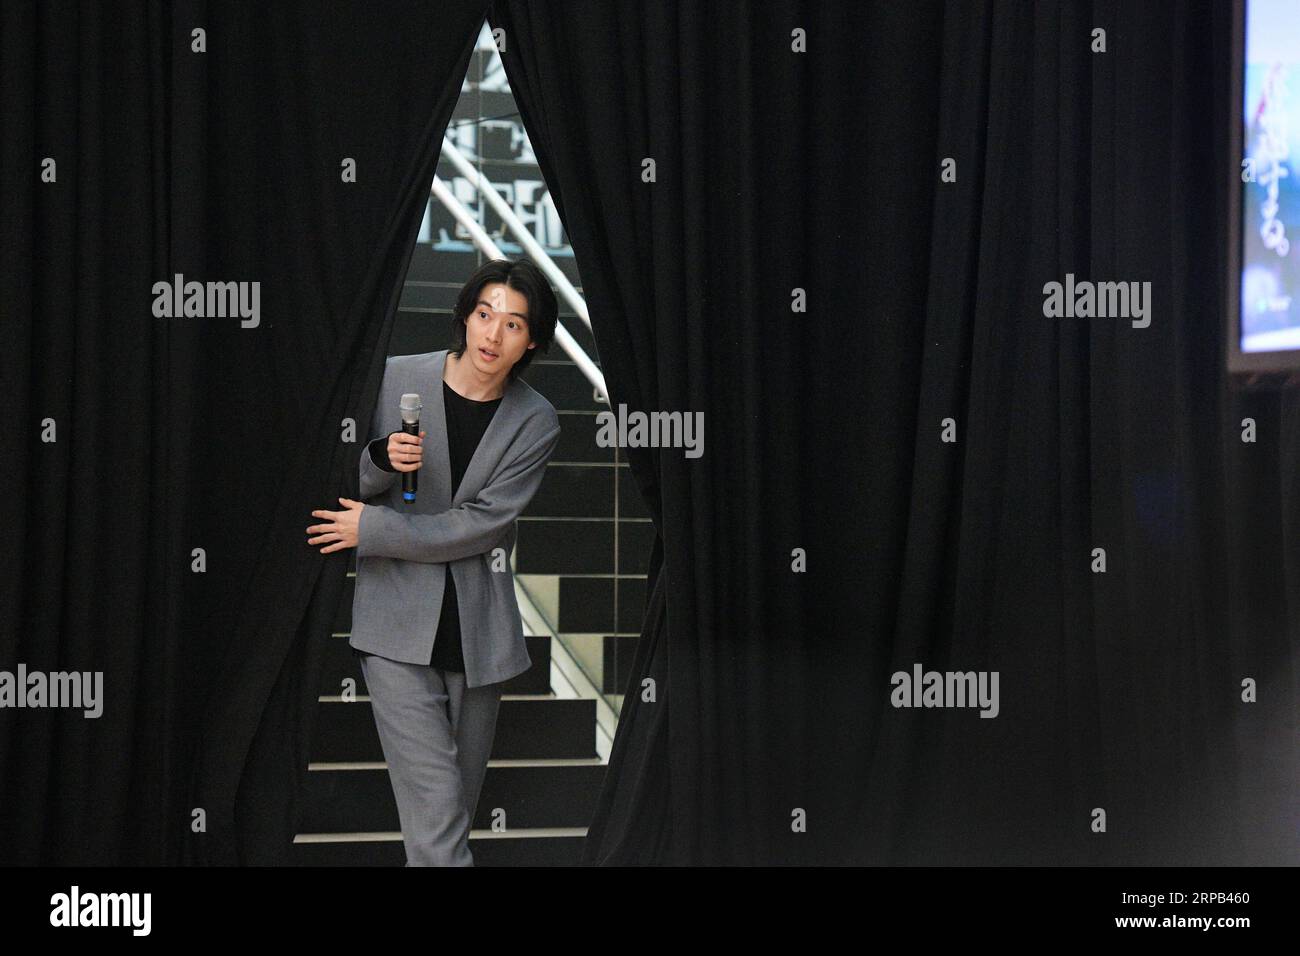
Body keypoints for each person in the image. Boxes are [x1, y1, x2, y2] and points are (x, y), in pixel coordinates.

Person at [306, 258, 561, 865]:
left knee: (445, 825)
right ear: (465, 316)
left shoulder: (536, 420)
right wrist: (380, 459)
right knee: (438, 819)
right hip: (395, 629)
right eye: (484, 314)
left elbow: (482, 528)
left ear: (532, 341)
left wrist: (375, 529)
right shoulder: (393, 378)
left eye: (513, 325)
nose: (492, 335)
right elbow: (348, 479)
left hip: (479, 640)